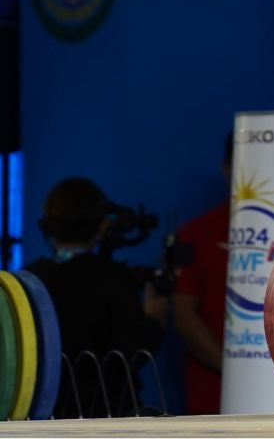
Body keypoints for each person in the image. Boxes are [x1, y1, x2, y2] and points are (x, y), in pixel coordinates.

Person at [26, 177, 166, 416]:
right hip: (107, 413)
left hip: (41, 414)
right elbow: (131, 353)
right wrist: (154, 319)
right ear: (101, 225)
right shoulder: (114, 279)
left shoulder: (29, 279)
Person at [171, 133, 232, 414]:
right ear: (226, 167)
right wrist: (233, 371)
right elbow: (184, 315)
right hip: (211, 397)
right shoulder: (192, 235)